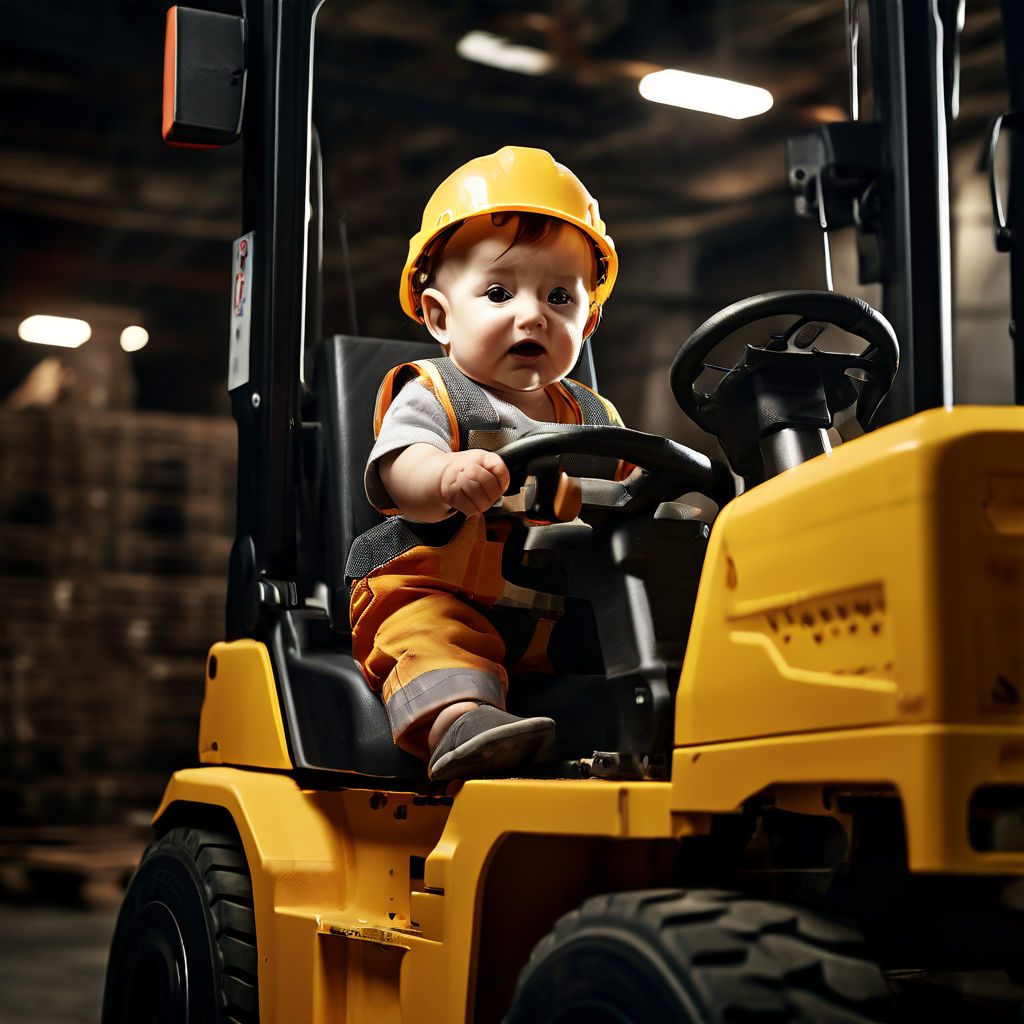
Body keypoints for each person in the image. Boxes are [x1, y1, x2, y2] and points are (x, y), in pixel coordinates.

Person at [348, 146, 625, 780]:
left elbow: (635, 487)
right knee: (429, 638)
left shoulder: (594, 415)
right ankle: (461, 724)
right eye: (500, 292)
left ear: (586, 326)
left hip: (554, 615)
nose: (533, 313)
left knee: (648, 626)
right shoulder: (433, 392)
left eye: (560, 296)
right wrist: (442, 477)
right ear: (440, 316)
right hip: (435, 588)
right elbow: (400, 472)